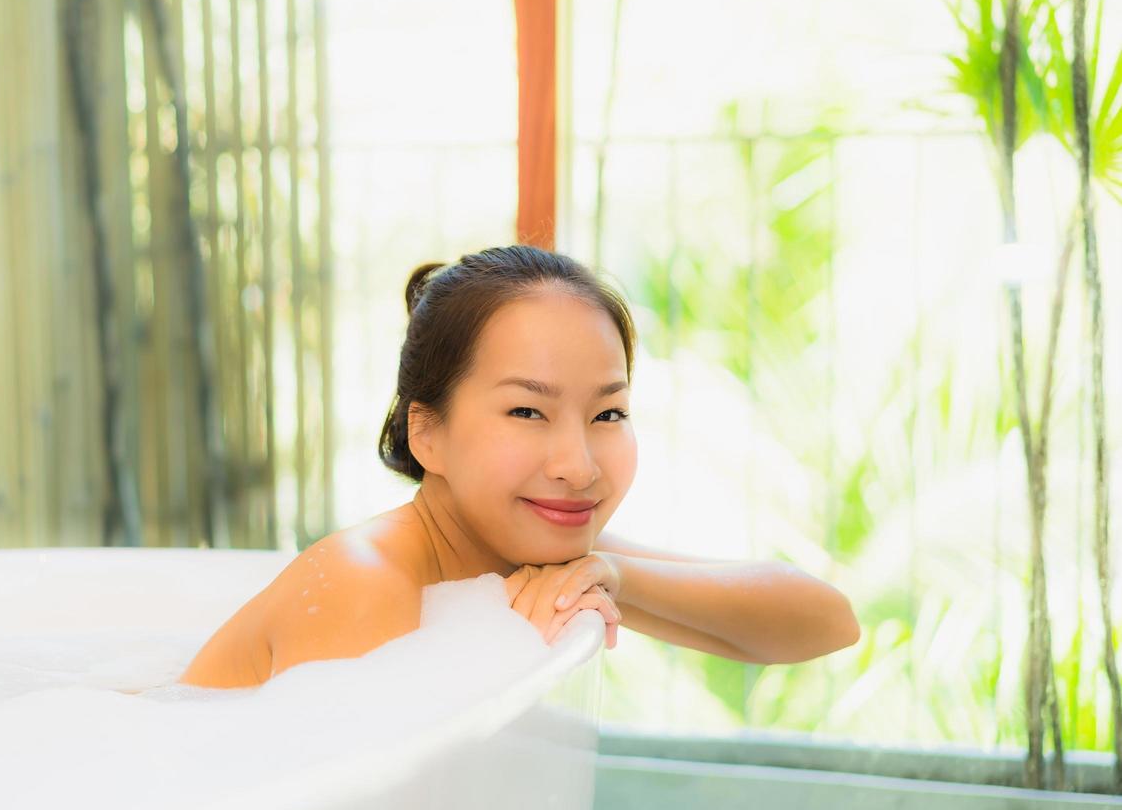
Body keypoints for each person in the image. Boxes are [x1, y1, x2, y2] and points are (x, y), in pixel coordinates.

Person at [179, 245, 860, 689]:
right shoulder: (364, 582)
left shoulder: (529, 548)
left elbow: (826, 621)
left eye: (608, 414)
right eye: (527, 413)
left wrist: (614, 576)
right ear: (428, 433)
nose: (578, 465)